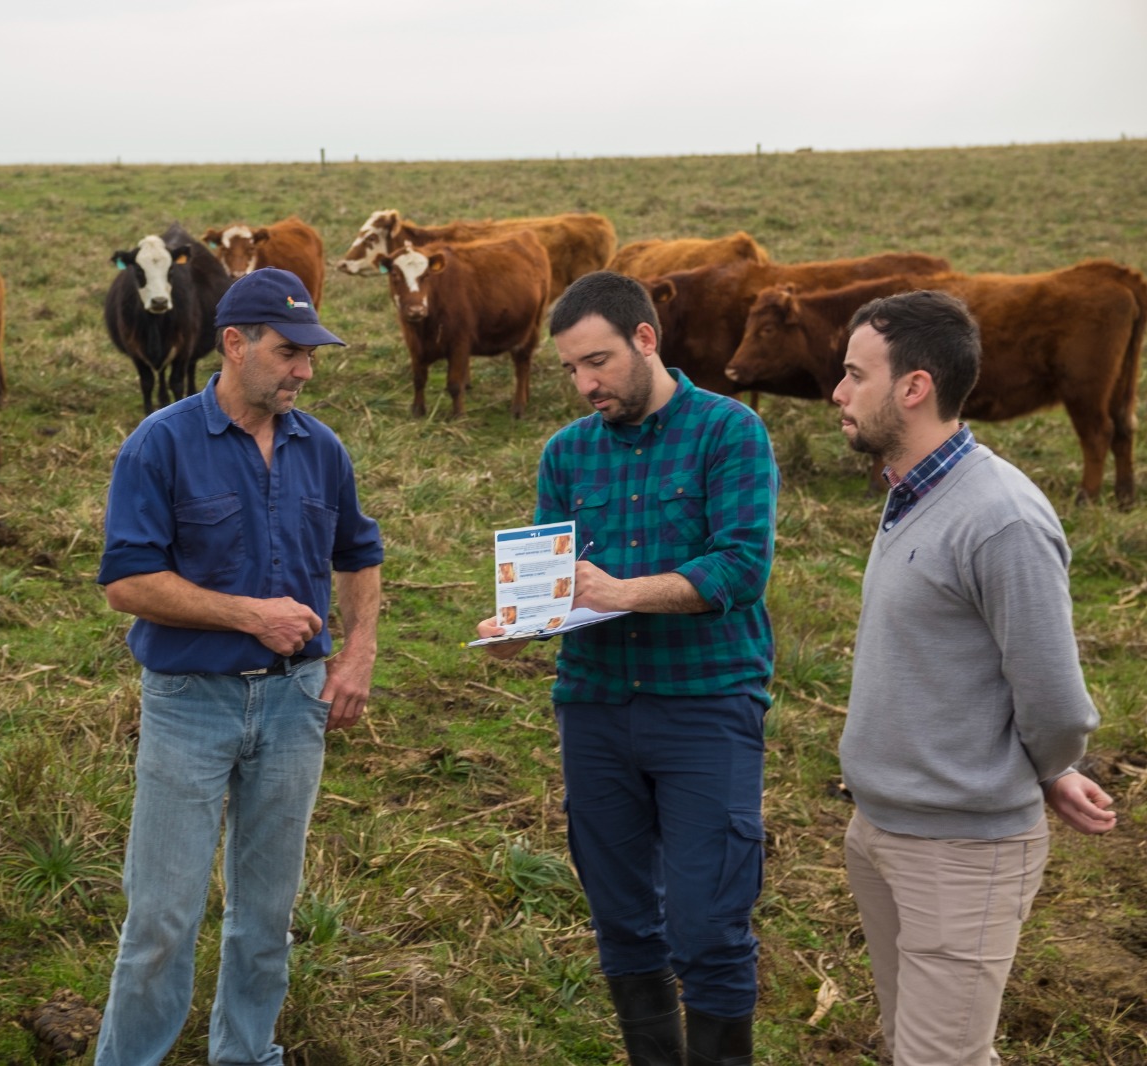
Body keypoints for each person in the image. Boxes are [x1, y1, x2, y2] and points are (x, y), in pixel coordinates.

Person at [477, 271, 778, 1066]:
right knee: (619, 916)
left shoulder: (730, 432)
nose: (585, 385)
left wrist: (626, 591)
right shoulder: (566, 453)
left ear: (647, 339)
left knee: (709, 922)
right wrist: (517, 630)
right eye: (571, 369)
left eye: (598, 362)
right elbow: (551, 583)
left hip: (706, 706)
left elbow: (742, 568)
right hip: (596, 708)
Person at [93, 267, 383, 1066]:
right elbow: (126, 581)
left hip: (296, 707)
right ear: (234, 343)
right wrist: (248, 614)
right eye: (290, 352)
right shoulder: (161, 443)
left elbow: (359, 553)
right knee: (162, 915)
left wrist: (356, 655)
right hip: (190, 703)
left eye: (312, 356)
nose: (304, 371)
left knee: (266, 913)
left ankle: (246, 1055)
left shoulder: (321, 448)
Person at [832, 289, 1115, 1065]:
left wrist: (1042, 768)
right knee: (914, 1046)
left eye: (856, 375)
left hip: (959, 851)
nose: (838, 392)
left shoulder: (1002, 519)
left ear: (914, 387)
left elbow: (1056, 704)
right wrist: (1041, 771)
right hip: (884, 829)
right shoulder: (913, 492)